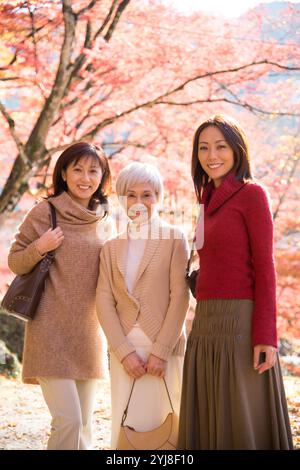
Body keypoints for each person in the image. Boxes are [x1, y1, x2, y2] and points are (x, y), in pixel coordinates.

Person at [177, 115, 294, 450]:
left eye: (220, 146)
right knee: (209, 417)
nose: (211, 155)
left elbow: (266, 269)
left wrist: (266, 337)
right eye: (203, 148)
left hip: (240, 322)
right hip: (206, 322)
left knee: (242, 420)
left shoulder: (252, 194)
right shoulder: (205, 201)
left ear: (236, 150)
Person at [7, 142, 114, 450]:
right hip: (49, 333)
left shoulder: (105, 218)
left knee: (84, 427)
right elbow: (15, 261)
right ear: (63, 173)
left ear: (102, 176)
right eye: (77, 169)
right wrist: (40, 246)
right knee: (68, 421)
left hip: (89, 335)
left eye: (93, 170)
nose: (85, 177)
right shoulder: (46, 212)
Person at [96, 162, 190, 449]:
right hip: (125, 350)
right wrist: (124, 353)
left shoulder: (175, 239)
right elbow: (103, 301)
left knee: (167, 425)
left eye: (146, 194)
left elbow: (180, 297)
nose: (138, 202)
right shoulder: (111, 247)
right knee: (127, 426)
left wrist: (160, 352)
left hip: (165, 348)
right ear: (121, 199)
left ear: (158, 196)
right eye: (130, 195)